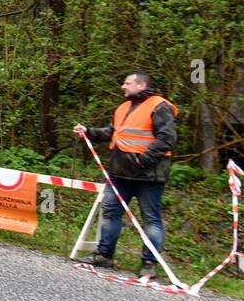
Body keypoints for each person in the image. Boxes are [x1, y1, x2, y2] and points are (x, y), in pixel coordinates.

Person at [74, 71, 178, 278]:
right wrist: (89, 132)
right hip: (119, 174)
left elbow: (167, 138)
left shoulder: (160, 106)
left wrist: (143, 159)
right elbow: (113, 133)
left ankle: (149, 264)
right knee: (110, 213)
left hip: (149, 176)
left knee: (151, 219)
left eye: (127, 83)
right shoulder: (123, 108)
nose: (123, 86)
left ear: (141, 85)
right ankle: (104, 255)